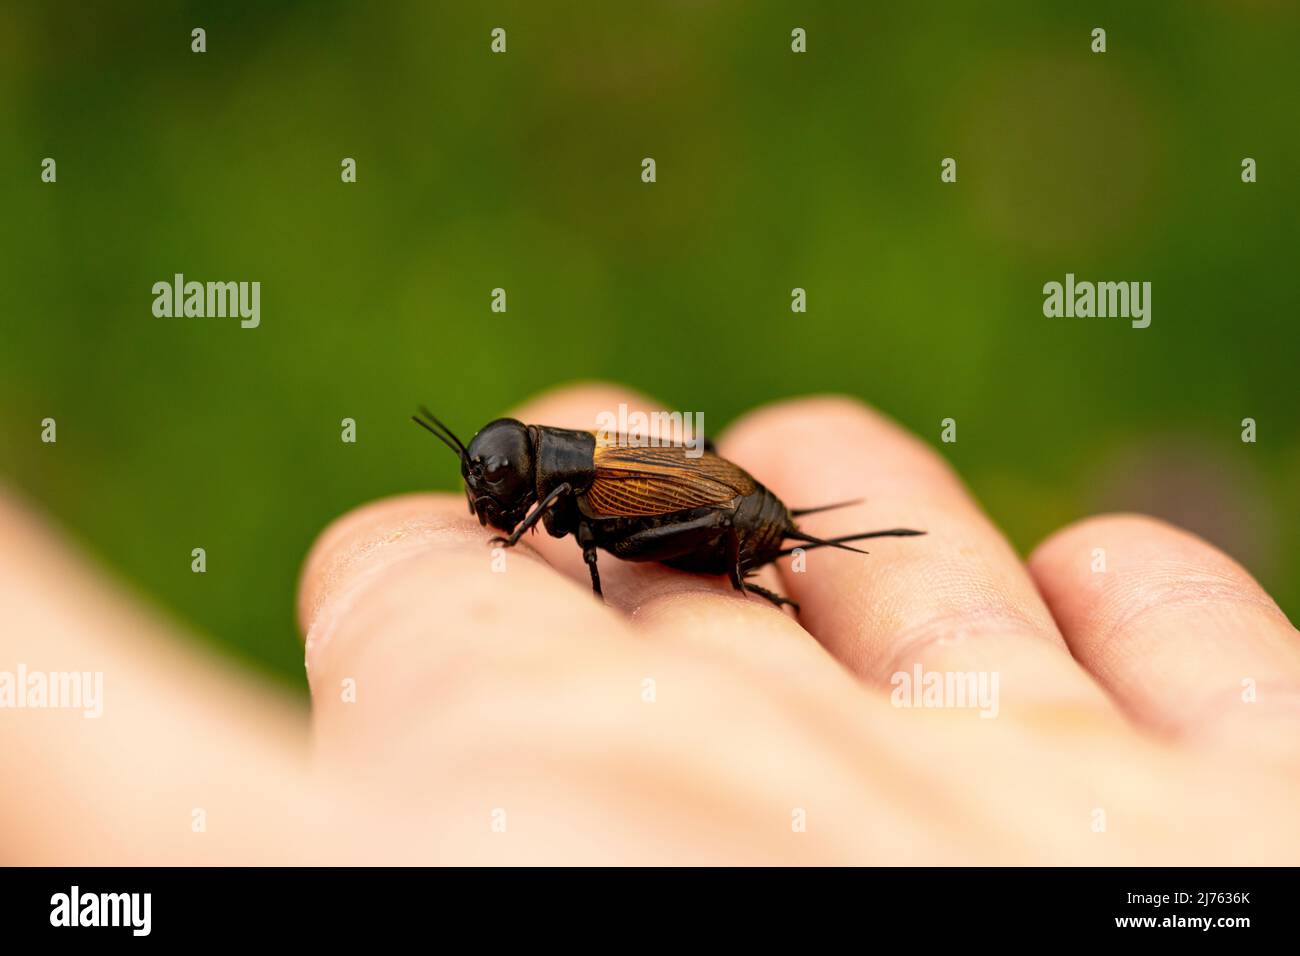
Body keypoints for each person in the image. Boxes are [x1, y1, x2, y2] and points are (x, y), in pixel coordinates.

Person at [3, 384, 1297, 864]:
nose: (487, 498)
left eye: (498, 484)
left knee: (689, 542)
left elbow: (626, 526)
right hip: (729, 505)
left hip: (725, 519)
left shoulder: (596, 491)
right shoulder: (565, 489)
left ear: (538, 478)